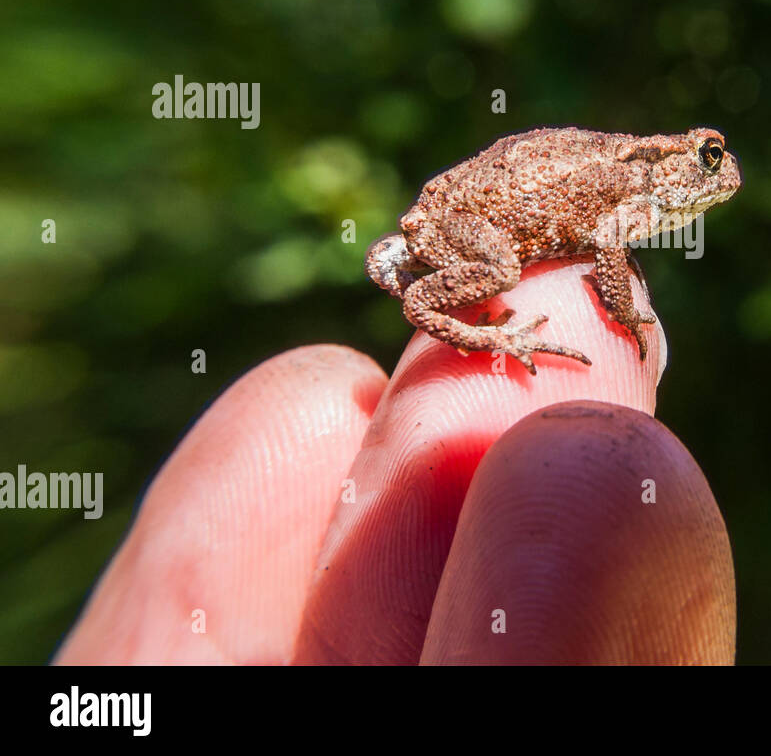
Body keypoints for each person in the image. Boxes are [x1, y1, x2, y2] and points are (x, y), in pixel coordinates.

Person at [55, 260, 735, 665]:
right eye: (708, 158)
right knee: (500, 276)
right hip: (486, 218)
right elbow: (606, 268)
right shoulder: (622, 191)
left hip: (491, 205)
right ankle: (485, 333)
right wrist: (627, 320)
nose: (721, 170)